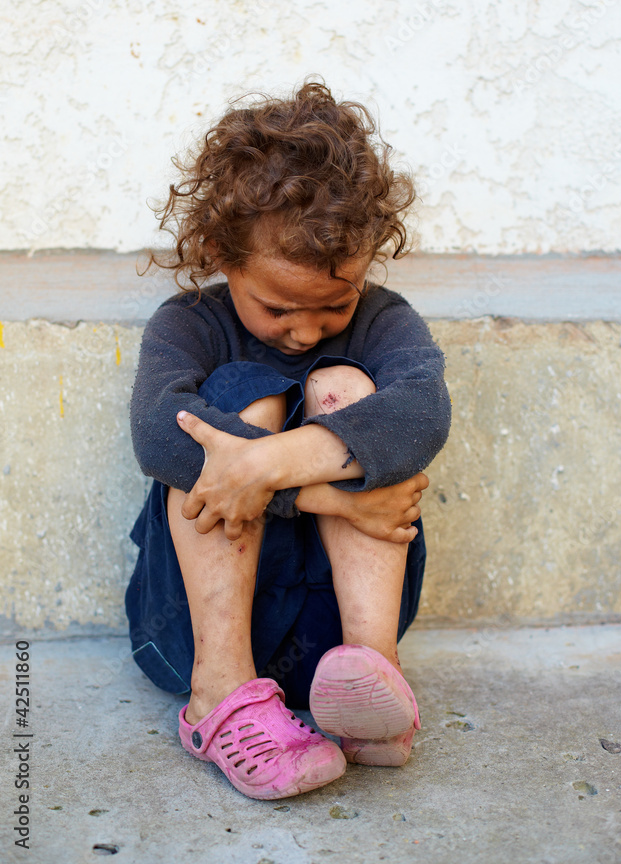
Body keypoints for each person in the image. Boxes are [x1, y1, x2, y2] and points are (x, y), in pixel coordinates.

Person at [125, 77, 451, 800]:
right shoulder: (187, 325)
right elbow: (160, 440)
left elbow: (423, 413)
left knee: (350, 392)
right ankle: (223, 700)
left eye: (334, 304)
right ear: (220, 252)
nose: (304, 330)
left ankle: (372, 686)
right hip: (191, 636)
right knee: (244, 393)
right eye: (278, 307)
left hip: (331, 649)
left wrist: (267, 464)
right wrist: (328, 501)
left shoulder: (385, 321)